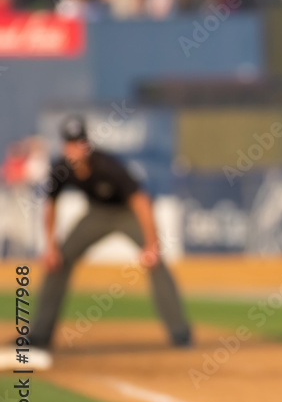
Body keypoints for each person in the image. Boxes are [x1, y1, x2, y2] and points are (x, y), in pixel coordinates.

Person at [30, 116, 191, 350]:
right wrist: (51, 247)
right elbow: (50, 206)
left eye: (79, 142)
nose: (75, 149)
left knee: (155, 262)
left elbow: (141, 202)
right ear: (65, 146)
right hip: (96, 214)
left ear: (87, 144)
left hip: (126, 213)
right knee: (58, 261)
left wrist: (151, 244)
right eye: (71, 143)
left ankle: (180, 334)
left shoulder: (107, 165)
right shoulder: (61, 168)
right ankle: (39, 335)